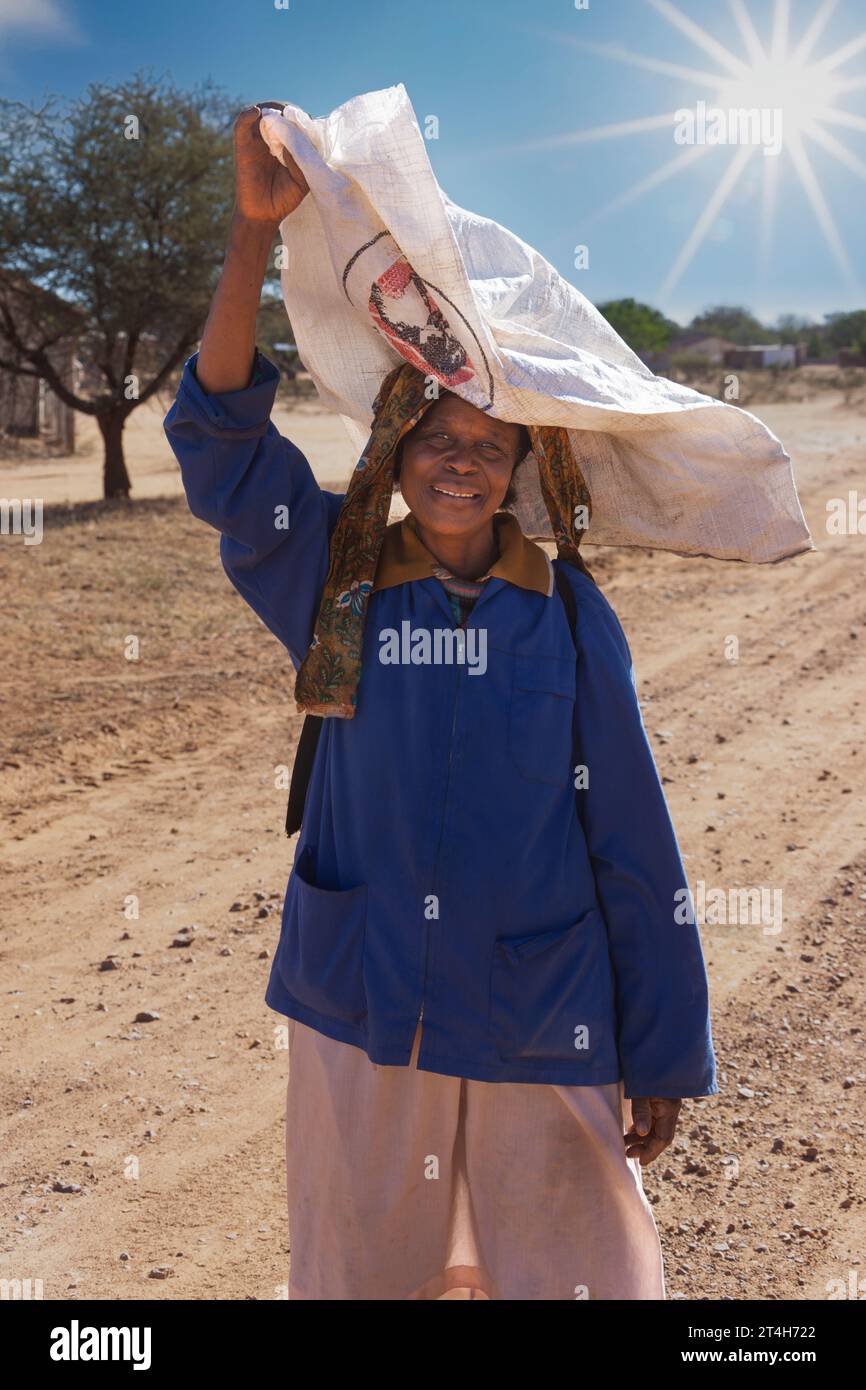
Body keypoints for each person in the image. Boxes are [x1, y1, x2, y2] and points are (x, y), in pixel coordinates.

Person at [164, 105, 717, 1301]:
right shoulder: (333, 584)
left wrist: (661, 1044)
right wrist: (250, 242)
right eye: (432, 437)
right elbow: (218, 446)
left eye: (486, 444)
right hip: (362, 995)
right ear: (392, 452)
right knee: (362, 1270)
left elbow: (631, 842)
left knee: (581, 1274)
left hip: (539, 1009)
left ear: (524, 469)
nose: (458, 461)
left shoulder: (570, 622)